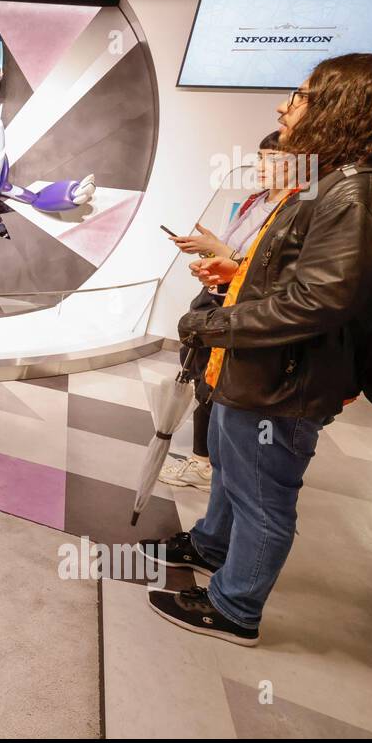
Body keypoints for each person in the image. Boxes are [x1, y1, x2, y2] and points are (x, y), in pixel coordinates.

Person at [139, 53, 372, 646]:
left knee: (264, 495)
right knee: (230, 468)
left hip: (287, 380)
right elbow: (298, 279)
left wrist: (213, 327)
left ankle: (235, 608)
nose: (283, 107)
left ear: (341, 107)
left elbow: (319, 303)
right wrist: (237, 279)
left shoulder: (360, 193)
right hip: (261, 368)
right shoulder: (340, 184)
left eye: (298, 96)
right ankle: (213, 546)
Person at [159, 131, 291, 492]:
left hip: (240, 313)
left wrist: (217, 248)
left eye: (274, 158)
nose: (263, 166)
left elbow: (267, 273)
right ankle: (205, 459)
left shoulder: (293, 210)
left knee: (218, 384)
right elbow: (238, 258)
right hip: (216, 300)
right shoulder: (256, 201)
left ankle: (206, 464)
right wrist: (208, 254)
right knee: (203, 378)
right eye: (261, 156)